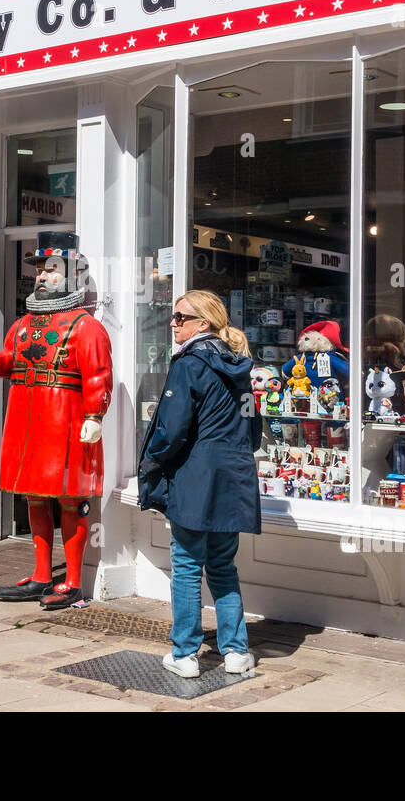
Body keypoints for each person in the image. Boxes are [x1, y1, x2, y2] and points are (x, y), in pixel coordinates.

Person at [0, 230, 113, 610]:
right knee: (34, 497)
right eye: (40, 270)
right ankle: (42, 574)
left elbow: (98, 375)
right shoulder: (22, 325)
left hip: (66, 423)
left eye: (50, 269)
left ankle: (75, 581)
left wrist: (95, 414)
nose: (42, 276)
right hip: (26, 419)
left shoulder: (87, 327)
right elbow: (11, 360)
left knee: (70, 497)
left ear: (73, 273)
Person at [138, 289, 261, 678]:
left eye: (179, 317)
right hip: (235, 474)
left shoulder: (189, 363)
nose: (172, 323)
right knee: (223, 565)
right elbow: (253, 425)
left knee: (188, 566)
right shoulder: (241, 365)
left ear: (202, 324)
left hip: (196, 475)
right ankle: (236, 651)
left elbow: (171, 429)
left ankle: (185, 654)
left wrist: (152, 460)